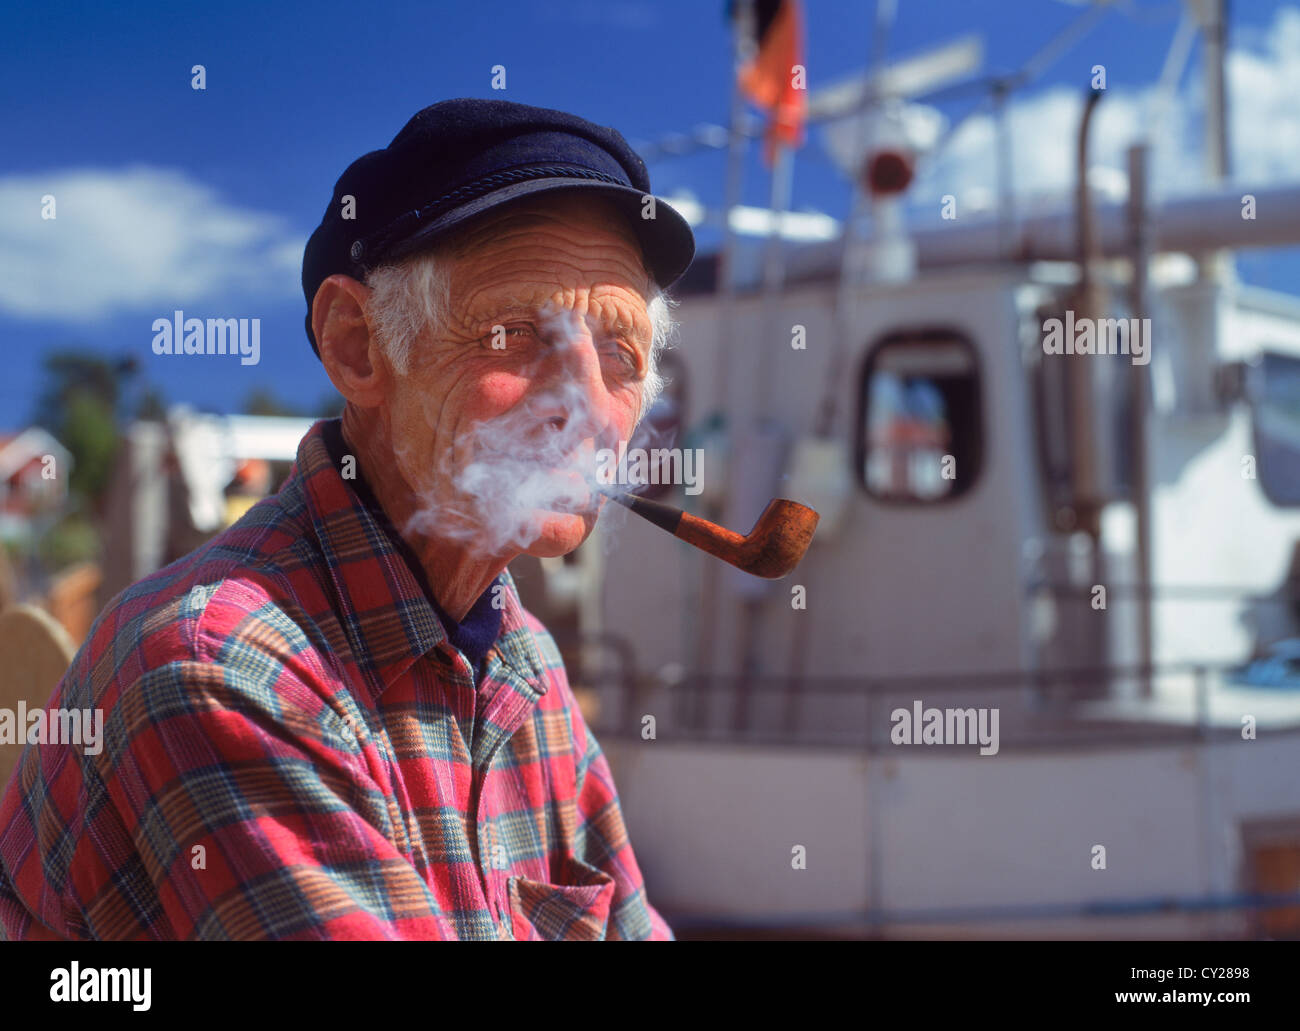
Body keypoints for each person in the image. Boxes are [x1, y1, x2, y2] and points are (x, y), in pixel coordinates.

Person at [0, 98, 694, 940]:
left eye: (620, 354)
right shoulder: (223, 666)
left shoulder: (524, 661)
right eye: (514, 332)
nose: (588, 407)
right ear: (358, 345)